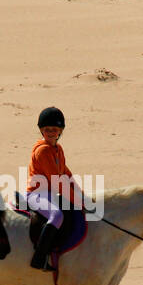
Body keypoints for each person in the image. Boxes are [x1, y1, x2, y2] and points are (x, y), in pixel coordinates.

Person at [25, 106, 84, 271]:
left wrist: (81, 194)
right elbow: (57, 182)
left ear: (60, 131)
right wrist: (78, 200)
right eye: (47, 129)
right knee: (57, 215)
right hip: (36, 195)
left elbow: (66, 174)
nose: (51, 132)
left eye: (55, 129)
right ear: (42, 130)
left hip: (49, 193)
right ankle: (39, 258)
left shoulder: (58, 149)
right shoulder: (43, 151)